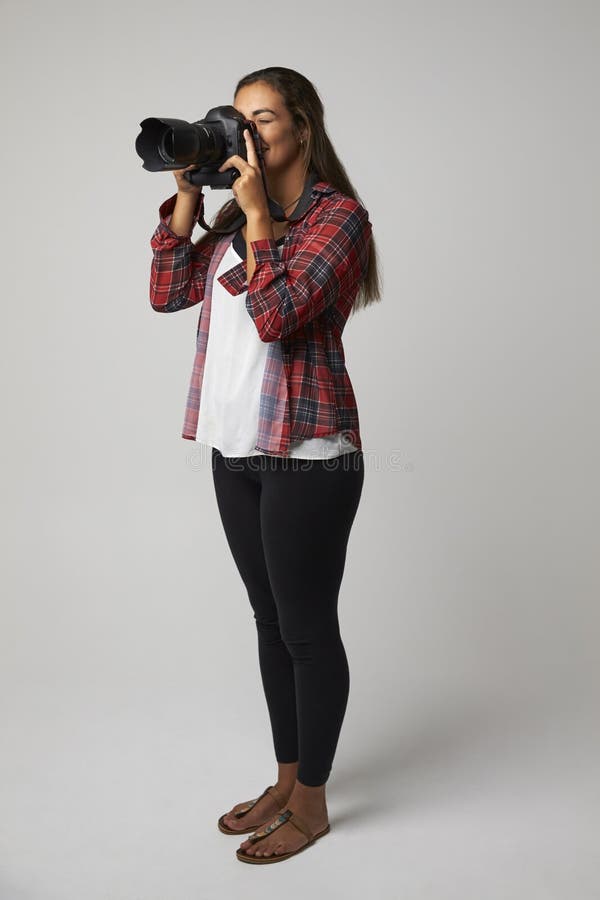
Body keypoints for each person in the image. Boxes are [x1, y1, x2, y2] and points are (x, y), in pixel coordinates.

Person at [148, 66, 381, 864]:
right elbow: (166, 291)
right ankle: (287, 778)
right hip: (235, 449)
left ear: (302, 130)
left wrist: (254, 220)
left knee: (308, 631)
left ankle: (312, 803)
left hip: (308, 455)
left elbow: (279, 314)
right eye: (237, 119)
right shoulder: (225, 222)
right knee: (270, 622)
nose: (247, 135)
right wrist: (188, 197)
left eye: (265, 120)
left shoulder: (337, 219)